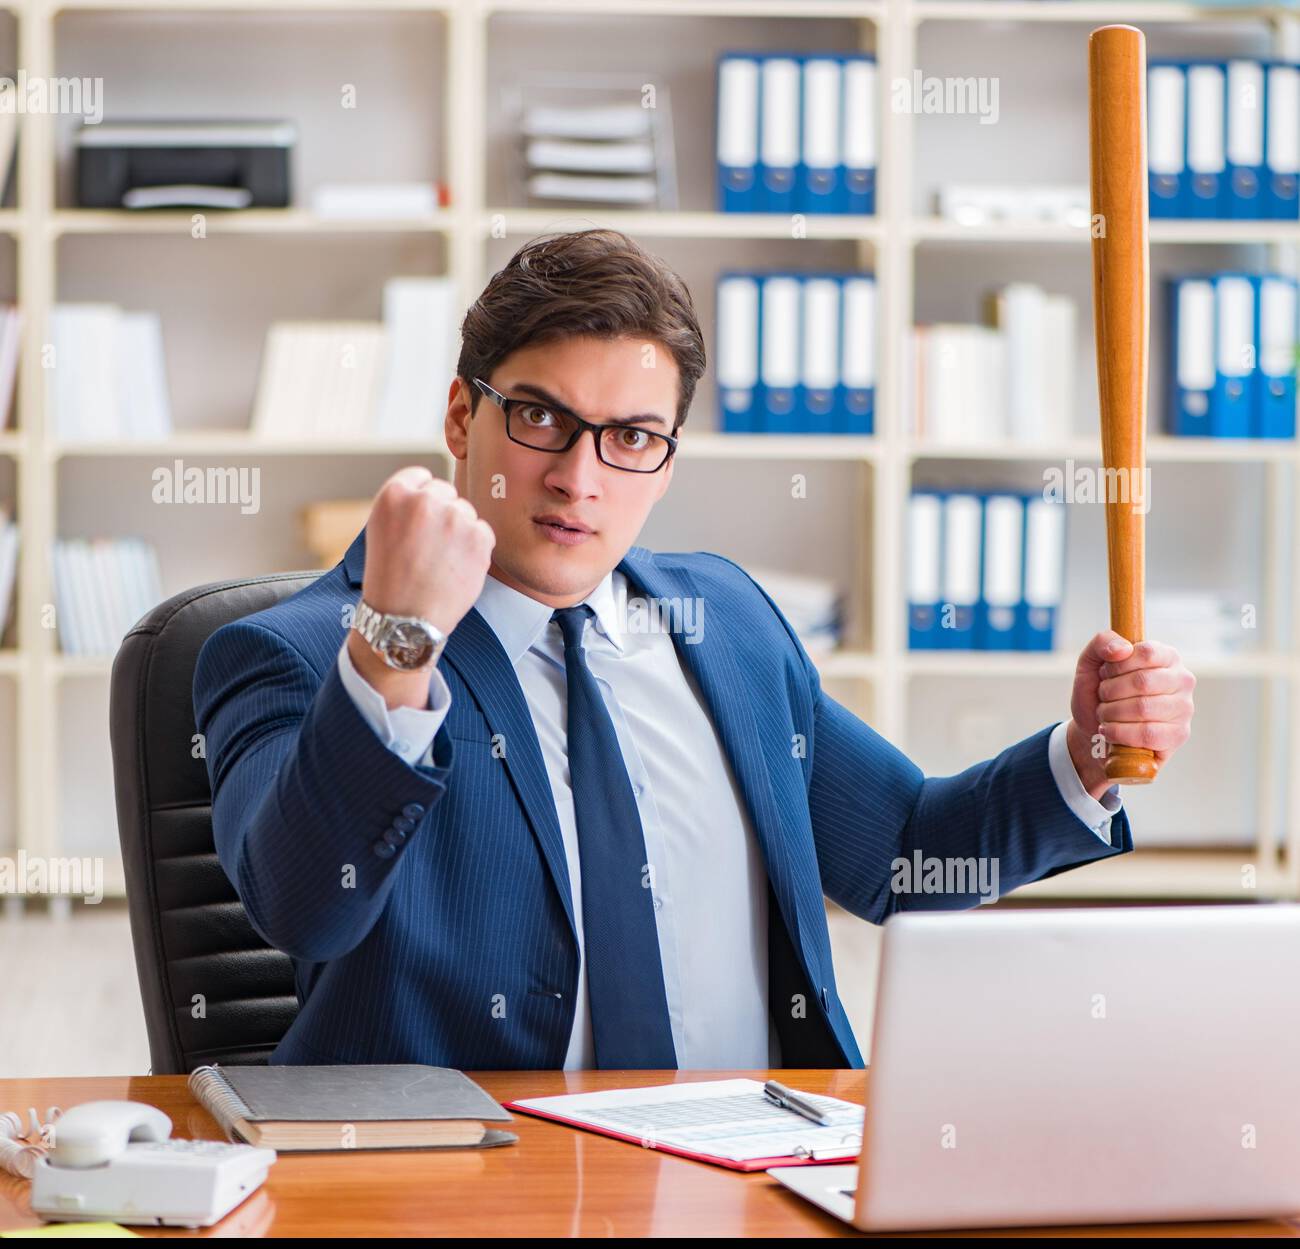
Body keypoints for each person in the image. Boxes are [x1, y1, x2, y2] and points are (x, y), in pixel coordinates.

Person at [193, 228, 1196, 1070]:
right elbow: (302, 903)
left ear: (666, 460)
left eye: (630, 437)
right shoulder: (295, 651)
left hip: (760, 1172)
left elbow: (900, 856)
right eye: (542, 417)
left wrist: (1084, 755)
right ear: (462, 415)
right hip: (477, 1187)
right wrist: (395, 645)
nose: (581, 478)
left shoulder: (727, 621)